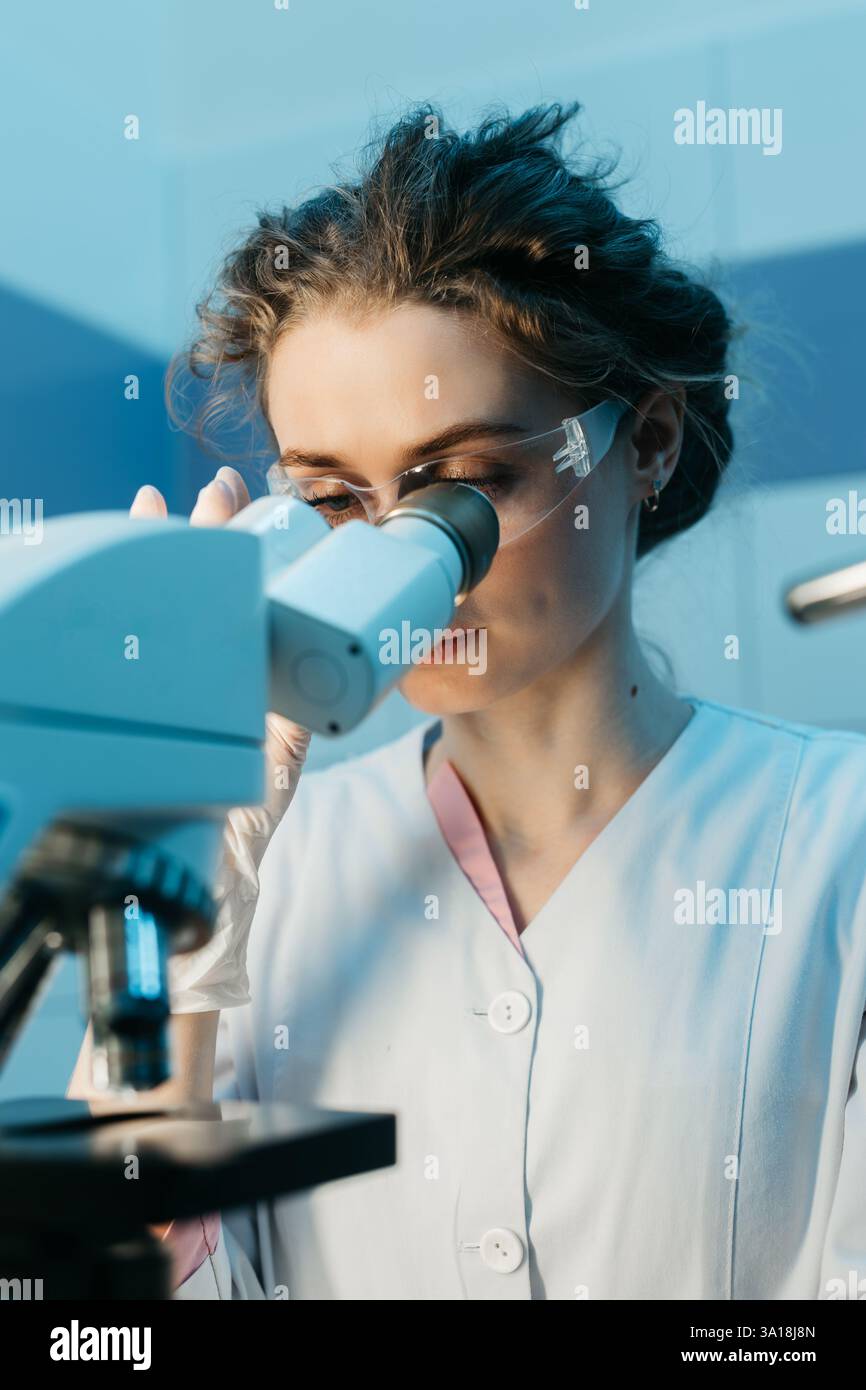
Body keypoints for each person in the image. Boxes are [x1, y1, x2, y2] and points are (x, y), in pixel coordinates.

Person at [68, 101, 866, 1300]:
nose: (404, 559)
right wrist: (164, 903)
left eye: (464, 487)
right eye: (337, 501)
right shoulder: (266, 867)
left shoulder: (835, 844)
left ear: (642, 444)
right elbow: (104, 1299)